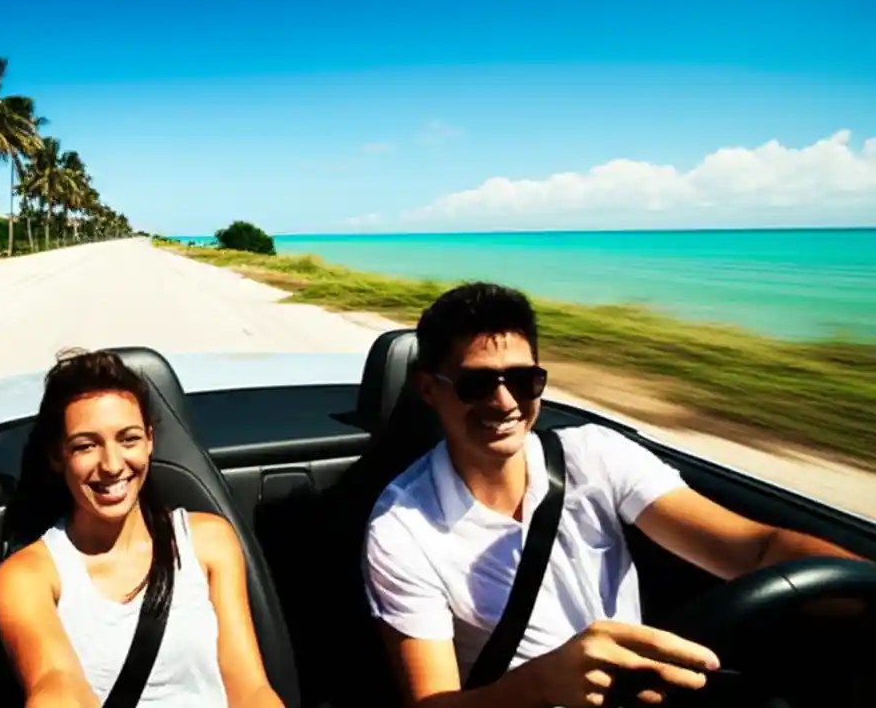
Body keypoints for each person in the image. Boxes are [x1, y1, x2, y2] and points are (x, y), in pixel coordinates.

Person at [362, 282, 864, 708]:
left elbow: (757, 550)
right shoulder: (404, 527)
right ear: (429, 390)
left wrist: (864, 587)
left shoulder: (595, 456)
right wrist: (540, 684)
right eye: (477, 383)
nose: (505, 401)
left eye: (523, 379)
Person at [0, 348, 283, 707]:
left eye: (128, 439)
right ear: (57, 456)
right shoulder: (27, 577)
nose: (112, 465)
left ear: (149, 441)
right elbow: (56, 683)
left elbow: (248, 684)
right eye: (85, 446)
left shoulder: (209, 542)